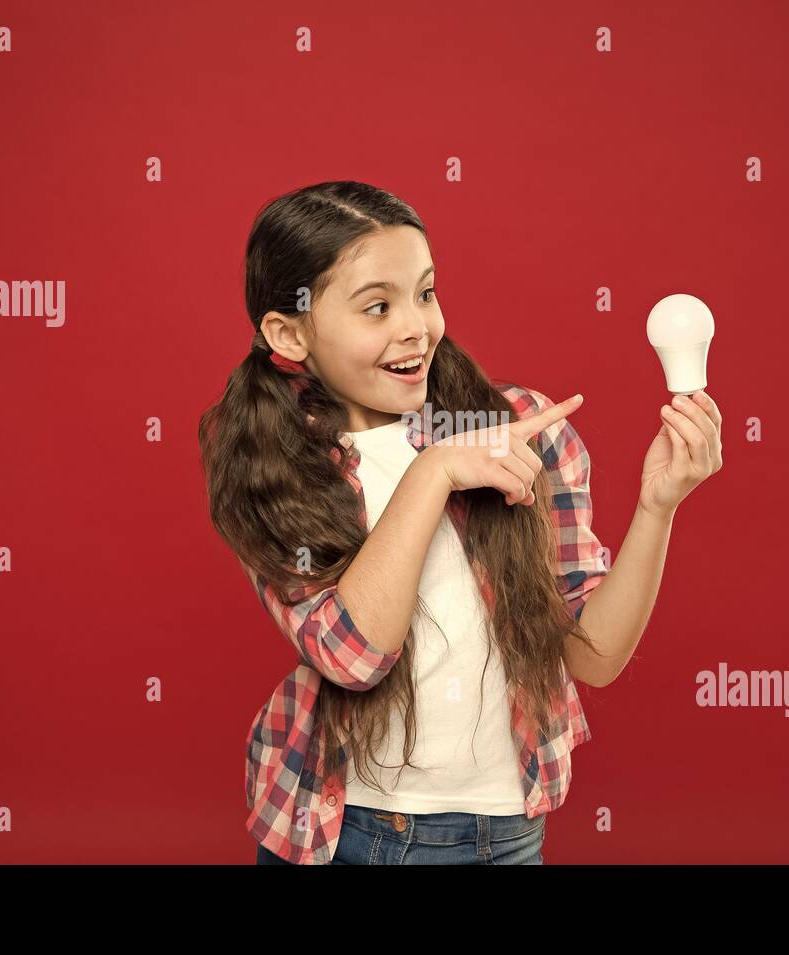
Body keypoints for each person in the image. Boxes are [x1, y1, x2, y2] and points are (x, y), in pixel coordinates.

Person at [198, 180, 723, 864]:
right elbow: (352, 657)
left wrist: (658, 507)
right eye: (377, 306)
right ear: (289, 333)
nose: (416, 326)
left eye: (425, 292)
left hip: (502, 834)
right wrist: (433, 470)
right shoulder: (272, 464)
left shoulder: (521, 432)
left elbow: (593, 656)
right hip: (345, 831)